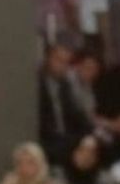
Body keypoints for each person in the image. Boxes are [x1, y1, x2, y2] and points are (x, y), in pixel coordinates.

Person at [39, 36, 94, 167]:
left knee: (92, 147)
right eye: (58, 60)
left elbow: (78, 115)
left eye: (66, 62)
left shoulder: (65, 85)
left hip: (66, 139)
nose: (61, 66)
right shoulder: (38, 85)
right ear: (48, 58)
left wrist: (89, 139)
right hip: (47, 140)